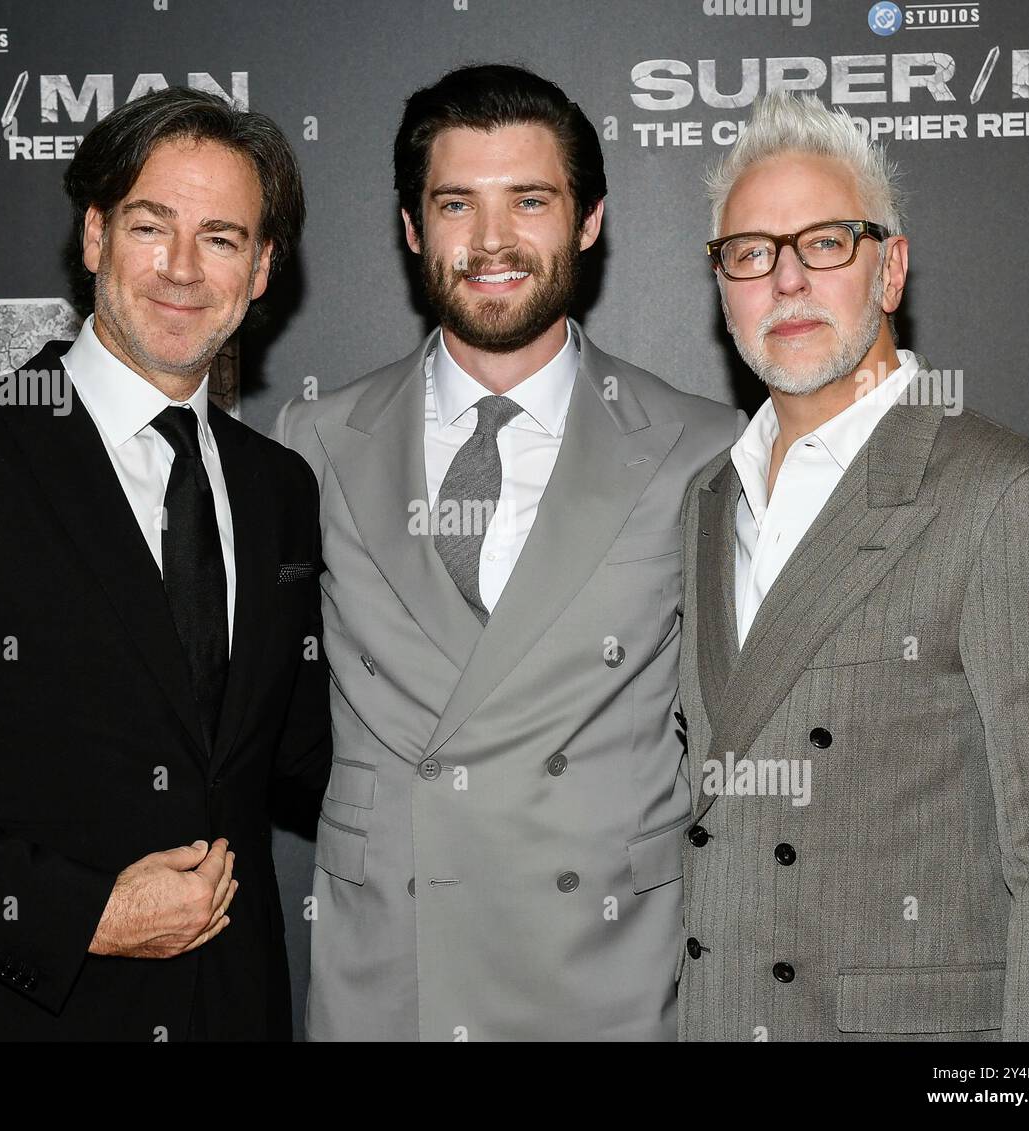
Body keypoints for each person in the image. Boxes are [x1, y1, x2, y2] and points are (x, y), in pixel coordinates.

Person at [0, 86, 330, 1040]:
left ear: (260, 270)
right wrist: (81, 914)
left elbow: (305, 754)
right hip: (2, 1019)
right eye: (150, 224)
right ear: (93, 236)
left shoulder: (280, 490)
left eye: (221, 237)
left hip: (229, 1012)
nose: (182, 268)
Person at [274, 63, 742, 1041]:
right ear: (411, 229)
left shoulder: (700, 445)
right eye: (456, 204)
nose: (490, 243)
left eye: (529, 200)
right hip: (392, 965)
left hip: (611, 966)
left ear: (588, 220)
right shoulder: (311, 441)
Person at [676, 90, 1029, 1041]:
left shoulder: (1010, 498)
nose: (786, 280)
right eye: (751, 253)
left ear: (891, 267)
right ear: (723, 288)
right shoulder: (706, 501)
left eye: (825, 241)